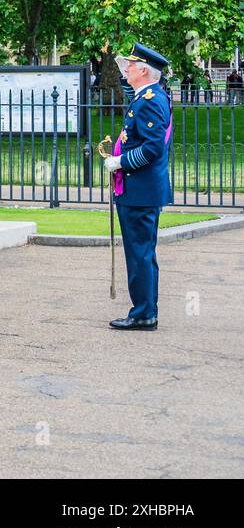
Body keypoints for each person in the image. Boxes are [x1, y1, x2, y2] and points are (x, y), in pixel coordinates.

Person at [104, 43, 173, 330]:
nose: (127, 68)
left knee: (140, 253)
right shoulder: (146, 96)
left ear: (144, 70)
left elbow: (152, 148)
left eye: (131, 65)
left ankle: (144, 313)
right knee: (141, 252)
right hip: (139, 189)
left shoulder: (150, 99)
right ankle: (145, 309)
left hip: (140, 189)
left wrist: (121, 162)